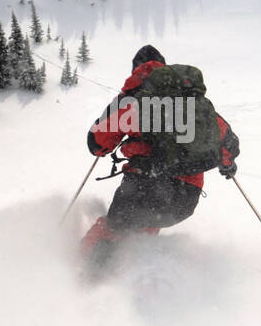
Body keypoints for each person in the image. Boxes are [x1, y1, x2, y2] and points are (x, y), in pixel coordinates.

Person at [79, 44, 239, 274]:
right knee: (145, 225)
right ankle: (139, 281)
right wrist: (227, 165)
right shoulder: (191, 101)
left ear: (135, 70)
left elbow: (97, 143)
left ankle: (80, 276)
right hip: (185, 200)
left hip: (143, 187)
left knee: (114, 227)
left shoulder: (132, 101)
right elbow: (229, 142)